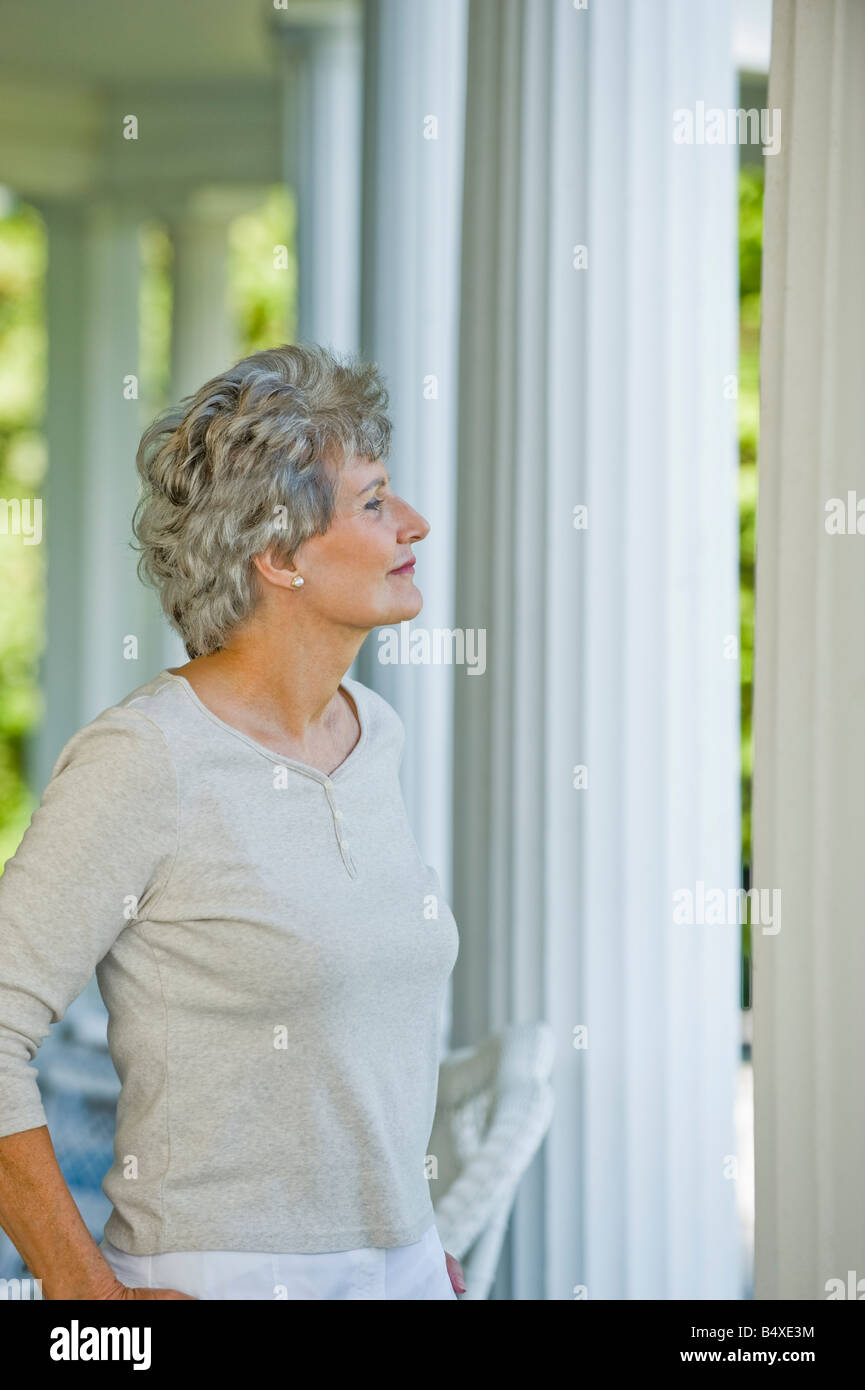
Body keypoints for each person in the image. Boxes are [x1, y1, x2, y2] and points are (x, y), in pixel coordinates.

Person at [0, 342, 465, 1300]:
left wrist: (409, 1256)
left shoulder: (375, 734)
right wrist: (82, 1292)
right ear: (279, 554)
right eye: (374, 501)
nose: (413, 523)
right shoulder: (146, 758)